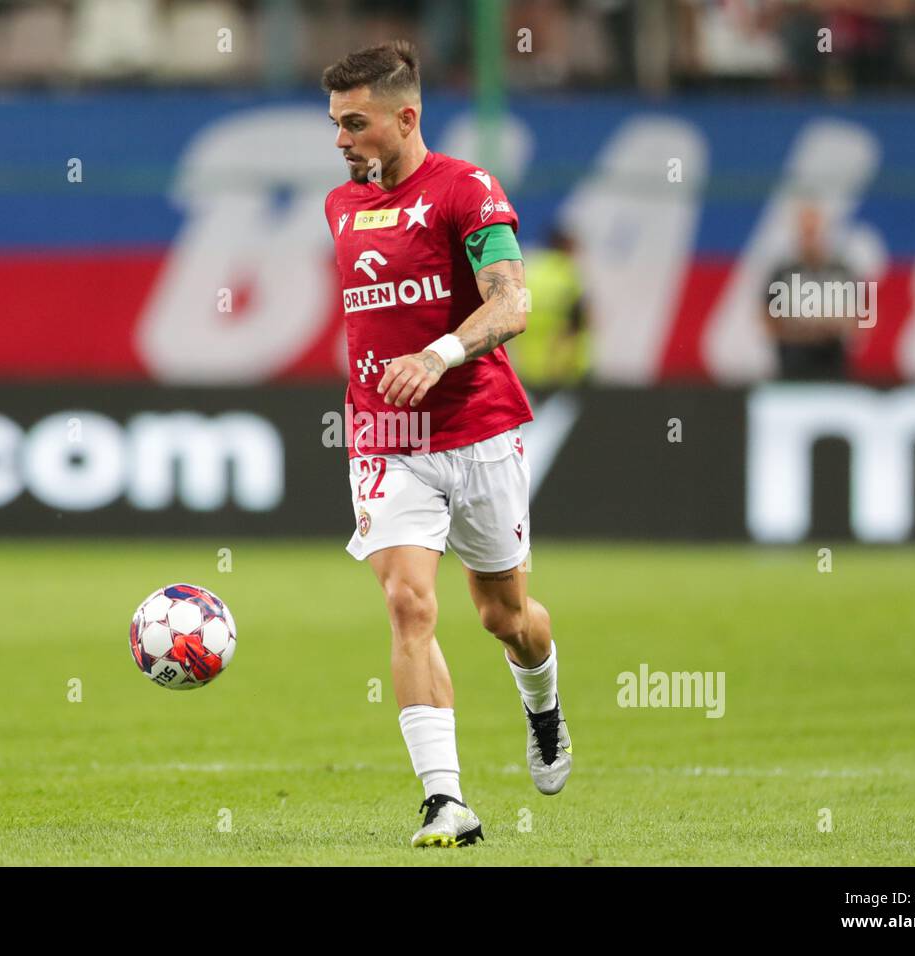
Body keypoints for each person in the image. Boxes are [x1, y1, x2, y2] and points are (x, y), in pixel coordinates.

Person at [322, 40, 571, 848]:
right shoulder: (341, 206)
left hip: (478, 428)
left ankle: (543, 707)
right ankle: (446, 801)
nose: (342, 140)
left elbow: (513, 305)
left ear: (407, 116)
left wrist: (437, 355)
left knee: (507, 618)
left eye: (355, 123)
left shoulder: (467, 190)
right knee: (407, 601)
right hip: (385, 436)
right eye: (335, 123)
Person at [763, 204, 860, 380]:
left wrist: (822, 326)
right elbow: (768, 319)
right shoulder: (783, 273)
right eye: (806, 233)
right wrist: (804, 331)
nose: (811, 239)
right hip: (793, 363)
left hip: (832, 363)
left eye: (815, 232)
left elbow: (857, 319)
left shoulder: (840, 272)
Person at [512, 227, 591, 386]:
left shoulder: (526, 272)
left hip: (527, 368)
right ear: (566, 246)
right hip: (565, 369)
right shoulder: (567, 272)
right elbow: (579, 319)